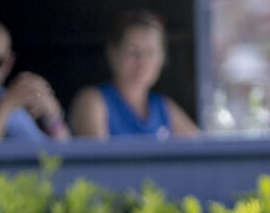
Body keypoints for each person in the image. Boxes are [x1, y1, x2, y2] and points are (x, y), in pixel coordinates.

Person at [69, 11, 199, 140]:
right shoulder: (94, 101)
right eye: (132, 50)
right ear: (113, 54)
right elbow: (98, 152)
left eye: (150, 52)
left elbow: (201, 146)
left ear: (162, 59)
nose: (142, 61)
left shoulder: (163, 107)